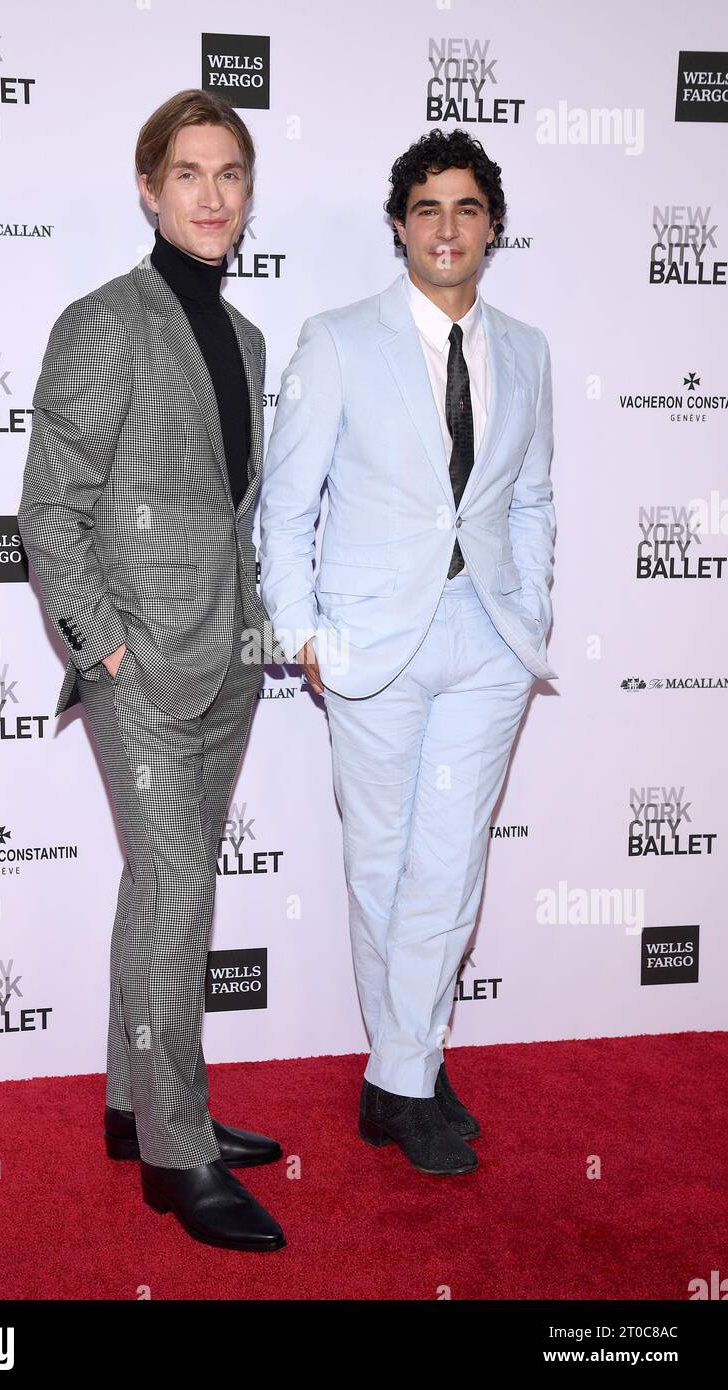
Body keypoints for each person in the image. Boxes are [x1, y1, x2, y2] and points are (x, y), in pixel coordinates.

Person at [259, 128, 558, 1177]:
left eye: (466, 208)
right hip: (370, 639)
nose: (446, 227)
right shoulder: (338, 339)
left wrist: (532, 609)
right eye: (426, 208)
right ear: (398, 226)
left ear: (492, 226)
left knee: (450, 860)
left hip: (488, 637)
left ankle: (401, 1074)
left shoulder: (527, 349)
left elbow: (531, 496)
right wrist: (302, 634)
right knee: (382, 863)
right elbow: (286, 506)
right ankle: (408, 1070)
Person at [17, 89, 284, 1251]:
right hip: (141, 669)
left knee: (159, 892)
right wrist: (105, 646)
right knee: (180, 894)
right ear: (148, 187)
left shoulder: (245, 337)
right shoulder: (104, 320)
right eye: (188, 173)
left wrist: (255, 630)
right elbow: (48, 507)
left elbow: (223, 511)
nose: (211, 196)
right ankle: (179, 1155)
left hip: (226, 662)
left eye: (229, 174)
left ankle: (137, 1106)